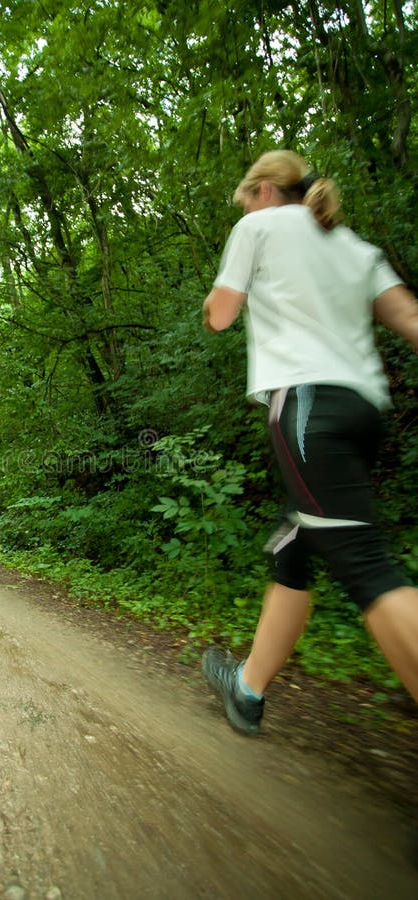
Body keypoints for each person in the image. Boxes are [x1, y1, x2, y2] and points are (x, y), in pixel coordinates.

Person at [201, 149, 418, 735]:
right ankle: (247, 689)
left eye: (246, 197)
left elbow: (220, 315)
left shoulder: (258, 227)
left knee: (366, 566)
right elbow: (411, 319)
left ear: (264, 192)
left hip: (305, 408)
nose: (244, 208)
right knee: (296, 545)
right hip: (362, 411)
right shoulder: (354, 247)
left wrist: (216, 302)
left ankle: (248, 686)